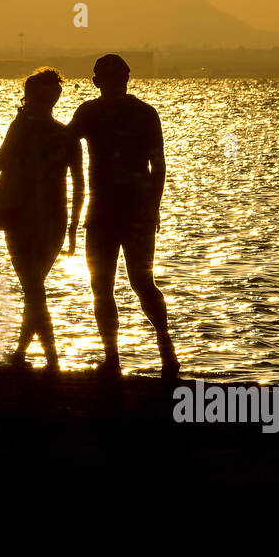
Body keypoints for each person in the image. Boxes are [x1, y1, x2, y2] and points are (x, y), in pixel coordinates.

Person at [68, 54, 179, 378]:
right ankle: (151, 353)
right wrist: (154, 206)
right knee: (133, 283)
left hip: (117, 212)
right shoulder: (140, 113)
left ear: (97, 81)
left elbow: (59, 143)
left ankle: (132, 355)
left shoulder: (97, 112)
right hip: (121, 211)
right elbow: (158, 167)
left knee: (118, 285)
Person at [0, 67, 83, 371]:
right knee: (35, 288)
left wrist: (17, 125)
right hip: (55, 220)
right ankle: (23, 353)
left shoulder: (22, 129)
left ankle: (50, 358)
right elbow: (80, 186)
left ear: (31, 97)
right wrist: (72, 229)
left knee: (33, 289)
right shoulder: (67, 136)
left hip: (20, 216)